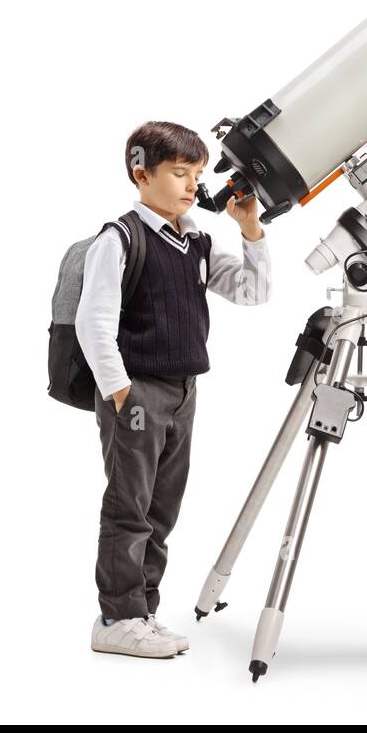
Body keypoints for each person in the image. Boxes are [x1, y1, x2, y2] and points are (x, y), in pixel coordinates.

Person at [76, 120, 271, 658]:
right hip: (136, 391)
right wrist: (121, 394)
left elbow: (254, 292)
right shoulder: (120, 240)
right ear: (141, 173)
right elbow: (95, 322)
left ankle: (144, 612)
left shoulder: (197, 244)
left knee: (162, 511)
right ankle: (116, 617)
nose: (191, 186)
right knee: (128, 506)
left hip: (184, 391)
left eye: (198, 174)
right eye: (179, 173)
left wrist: (250, 230)